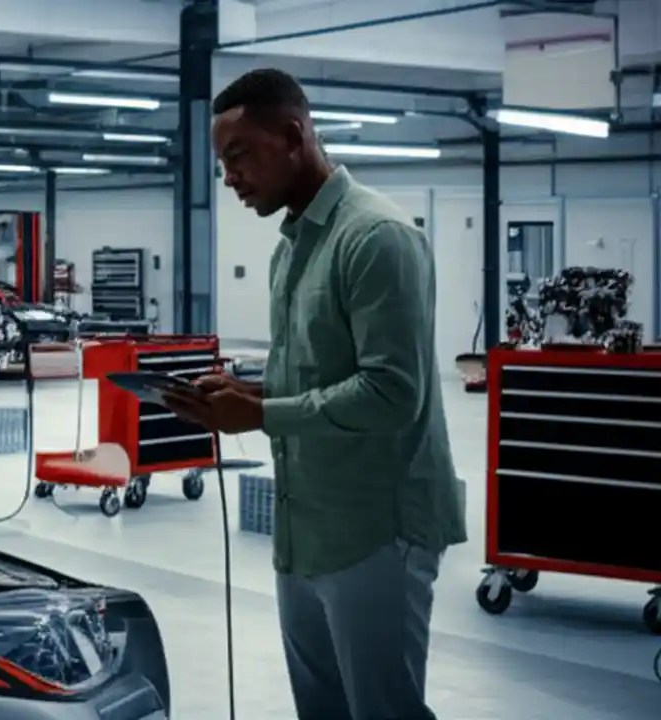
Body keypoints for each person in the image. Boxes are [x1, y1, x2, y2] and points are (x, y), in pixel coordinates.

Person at [161, 68, 467, 720]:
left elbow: (392, 392)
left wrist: (260, 413)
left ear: (295, 137)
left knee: (383, 710)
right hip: (305, 528)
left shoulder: (376, 238)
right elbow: (320, 373)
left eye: (239, 155)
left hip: (377, 531)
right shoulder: (293, 249)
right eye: (222, 164)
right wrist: (247, 389)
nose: (229, 178)